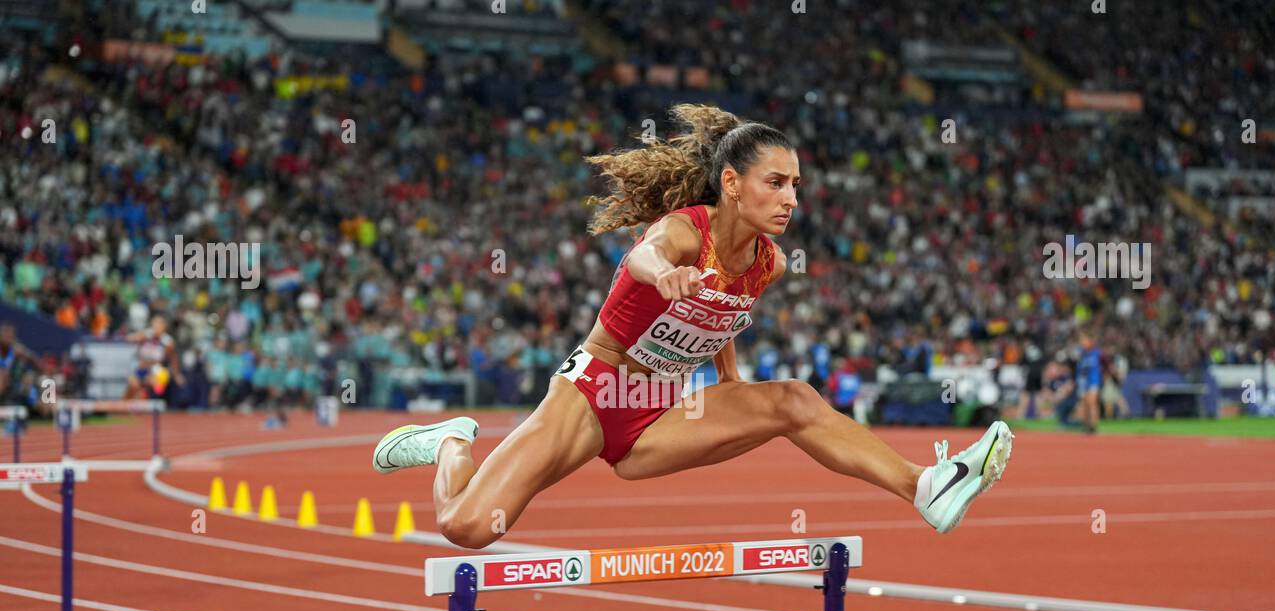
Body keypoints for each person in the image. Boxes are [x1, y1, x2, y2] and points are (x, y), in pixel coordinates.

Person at [369, 104, 1014, 549]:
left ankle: (926, 486)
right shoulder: (685, 232)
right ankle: (452, 442)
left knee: (791, 398)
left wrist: (731, 383)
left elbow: (724, 314)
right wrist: (662, 277)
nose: (792, 198)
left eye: (796, 185)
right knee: (469, 527)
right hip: (594, 395)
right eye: (777, 182)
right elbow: (642, 254)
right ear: (732, 184)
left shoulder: (769, 261)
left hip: (660, 412)